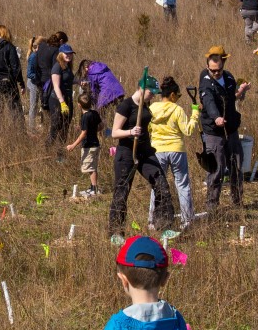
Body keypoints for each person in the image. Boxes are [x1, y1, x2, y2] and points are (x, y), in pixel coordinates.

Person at [106, 86, 179, 238]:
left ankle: (163, 227)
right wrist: (130, 132)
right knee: (122, 190)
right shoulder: (125, 105)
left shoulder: (144, 105)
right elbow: (114, 132)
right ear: (141, 88)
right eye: (151, 93)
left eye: (154, 94)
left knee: (161, 183)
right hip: (127, 153)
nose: (153, 96)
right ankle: (116, 233)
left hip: (146, 152)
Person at [198, 46, 247, 211]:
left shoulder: (229, 77)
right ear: (208, 67)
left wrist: (241, 92)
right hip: (214, 132)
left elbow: (231, 98)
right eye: (212, 70)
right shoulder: (205, 81)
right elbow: (209, 101)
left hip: (231, 129)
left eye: (218, 70)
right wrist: (216, 117)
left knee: (236, 165)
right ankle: (212, 206)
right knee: (216, 169)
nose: (215, 73)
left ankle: (238, 201)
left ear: (223, 64)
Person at [149, 78, 201, 230]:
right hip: (177, 150)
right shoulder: (177, 110)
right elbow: (188, 130)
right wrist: (195, 113)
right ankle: (187, 220)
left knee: (156, 186)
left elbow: (148, 130)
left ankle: (152, 220)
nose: (178, 98)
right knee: (182, 185)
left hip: (157, 150)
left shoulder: (152, 108)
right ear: (172, 95)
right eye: (178, 95)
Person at [64, 89, 101, 197]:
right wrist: (93, 130)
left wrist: (73, 145)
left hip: (89, 146)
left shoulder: (85, 116)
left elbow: (84, 133)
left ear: (79, 105)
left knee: (90, 168)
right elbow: (101, 125)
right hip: (96, 144)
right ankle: (92, 187)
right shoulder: (94, 113)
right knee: (92, 166)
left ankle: (94, 189)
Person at [45, 43, 77, 146]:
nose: (69, 55)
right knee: (55, 126)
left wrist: (79, 82)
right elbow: (56, 86)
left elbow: (68, 81)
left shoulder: (67, 66)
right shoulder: (57, 67)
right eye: (66, 53)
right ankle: (48, 149)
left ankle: (60, 153)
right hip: (57, 100)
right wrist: (62, 102)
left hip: (68, 99)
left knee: (65, 127)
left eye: (71, 53)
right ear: (60, 54)